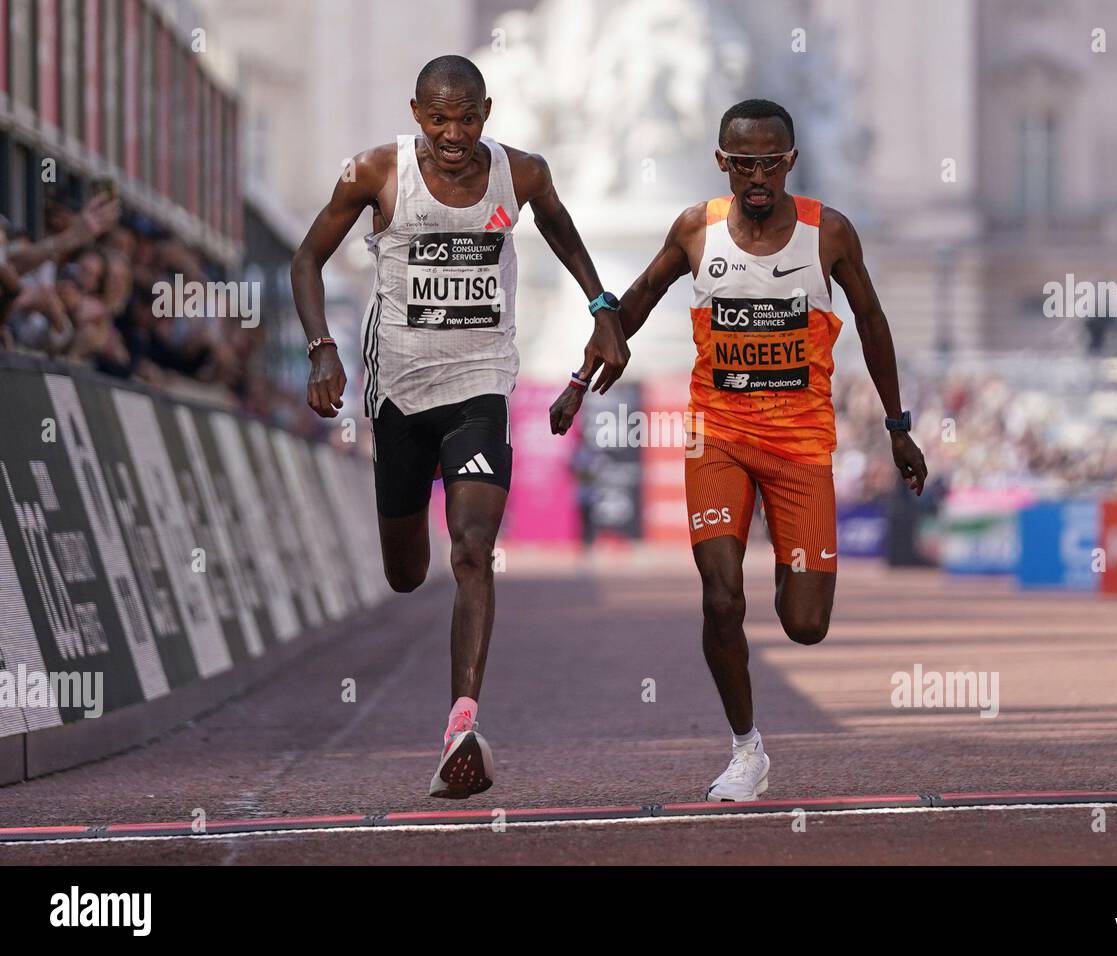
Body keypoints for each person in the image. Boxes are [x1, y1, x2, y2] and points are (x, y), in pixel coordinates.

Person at [551, 99, 926, 801]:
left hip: (800, 440)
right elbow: (638, 298)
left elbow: (872, 323)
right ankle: (746, 749)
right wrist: (581, 376)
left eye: (771, 162)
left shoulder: (830, 233)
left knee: (805, 625)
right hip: (716, 436)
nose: (758, 176)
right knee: (722, 598)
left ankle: (791, 559)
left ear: (790, 161)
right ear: (723, 163)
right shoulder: (697, 228)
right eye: (743, 162)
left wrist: (898, 425)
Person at [291, 55, 629, 799]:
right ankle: (453, 698)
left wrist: (602, 306)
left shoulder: (522, 174)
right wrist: (323, 350)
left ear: (486, 111)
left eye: (468, 117)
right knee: (408, 572)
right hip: (401, 395)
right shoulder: (376, 173)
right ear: (417, 112)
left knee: (474, 549)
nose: (454, 133)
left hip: (481, 384)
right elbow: (307, 260)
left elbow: (563, 228)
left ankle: (461, 726)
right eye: (439, 118)